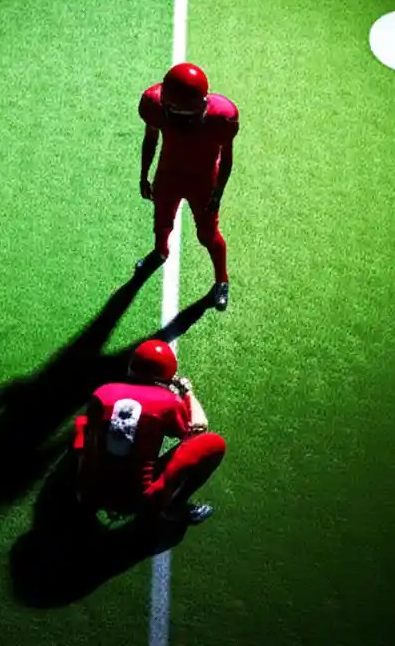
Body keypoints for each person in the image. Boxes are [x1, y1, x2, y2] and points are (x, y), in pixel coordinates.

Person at [74, 340, 226, 525]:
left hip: (92, 490)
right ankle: (171, 505)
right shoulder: (168, 401)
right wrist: (187, 391)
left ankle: (81, 490)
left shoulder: (103, 393)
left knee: (84, 425)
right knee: (212, 442)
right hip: (139, 500)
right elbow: (198, 426)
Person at [136, 63, 240, 311]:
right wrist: (143, 175)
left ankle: (221, 280)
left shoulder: (220, 119)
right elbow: (150, 139)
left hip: (202, 181)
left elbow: (227, 159)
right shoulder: (156, 107)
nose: (183, 122)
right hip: (169, 175)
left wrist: (218, 192)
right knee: (161, 222)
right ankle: (160, 251)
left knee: (208, 235)